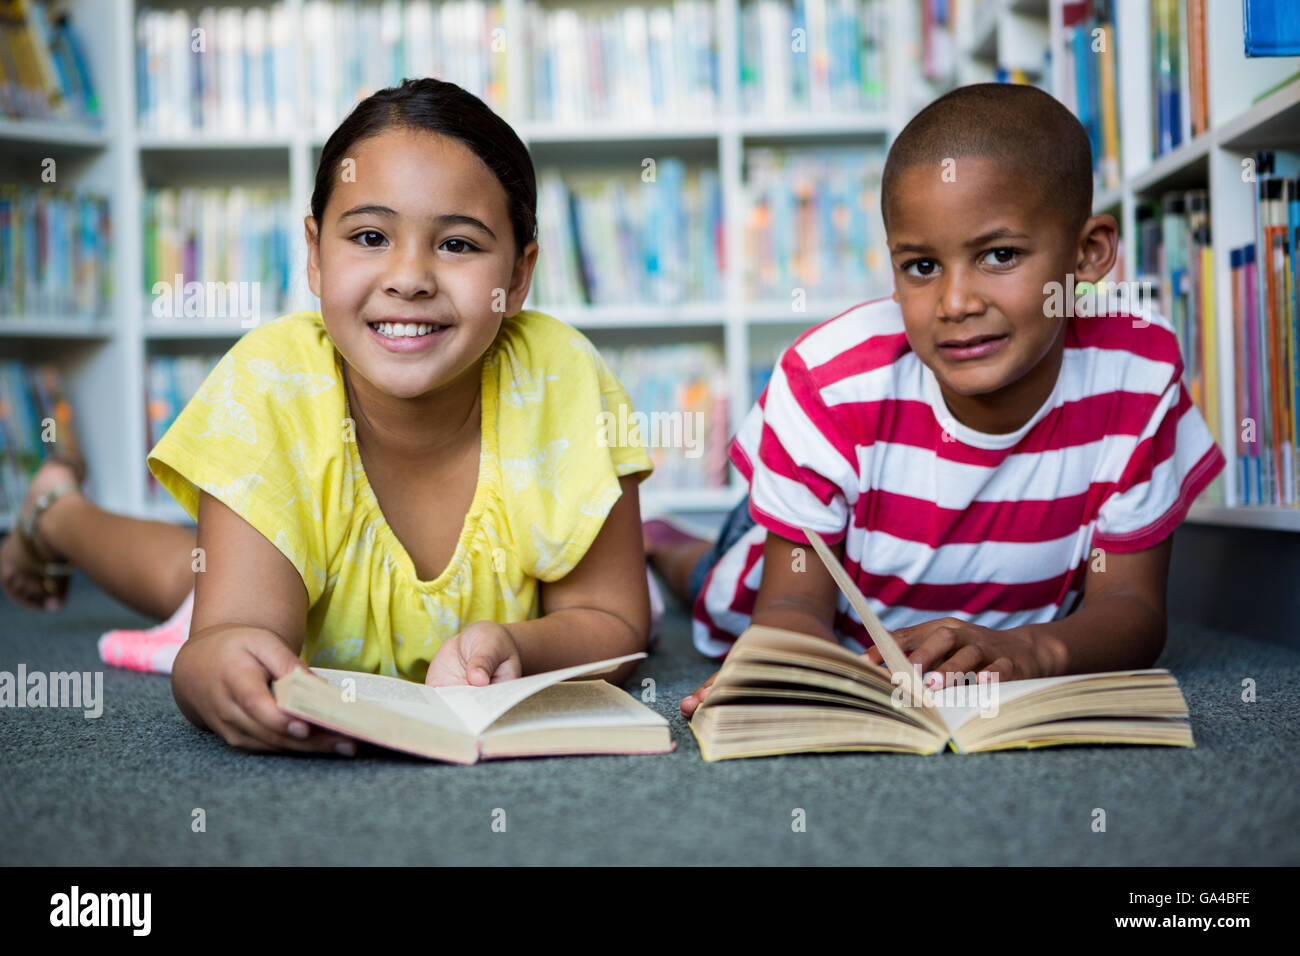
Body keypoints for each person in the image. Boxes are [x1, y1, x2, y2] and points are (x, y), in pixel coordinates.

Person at [1, 78, 657, 754]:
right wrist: (226, 664)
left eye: (457, 245)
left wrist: (515, 643)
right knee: (193, 585)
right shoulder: (269, 383)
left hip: (455, 598)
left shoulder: (563, 378)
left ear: (518, 278)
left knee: (196, 570)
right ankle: (57, 511)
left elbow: (610, 618)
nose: (409, 278)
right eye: (370, 236)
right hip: (295, 592)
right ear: (314, 254)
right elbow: (221, 642)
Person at [645, 83, 1226, 719]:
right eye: (921, 267)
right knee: (706, 578)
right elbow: (790, 609)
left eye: (999, 255)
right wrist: (801, 667)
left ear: (1088, 254)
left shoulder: (1139, 374)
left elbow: (1133, 610)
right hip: (805, 556)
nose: (955, 304)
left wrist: (1033, 650)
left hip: (972, 608)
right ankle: (663, 541)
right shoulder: (828, 382)